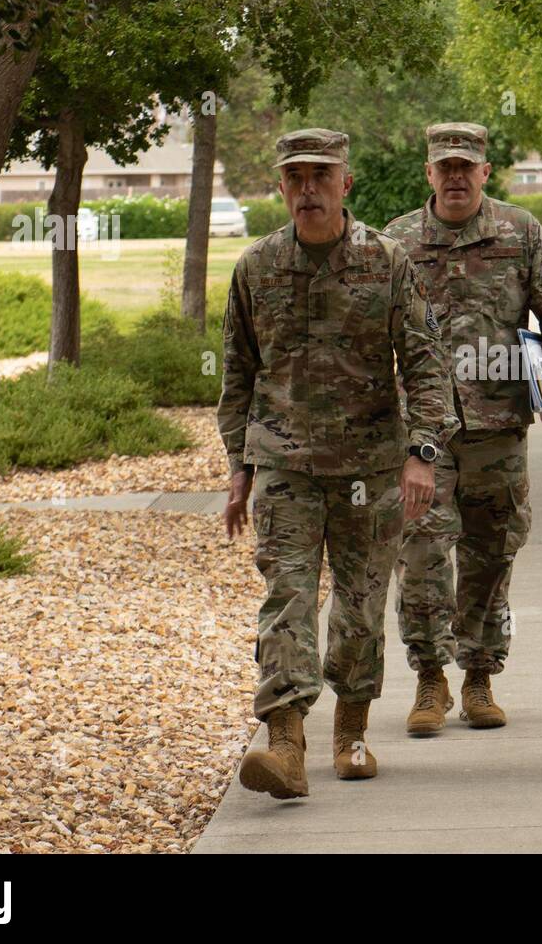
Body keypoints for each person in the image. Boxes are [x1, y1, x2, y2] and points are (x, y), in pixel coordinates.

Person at [218, 128, 458, 799]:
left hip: (369, 469)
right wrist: (239, 465)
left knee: (358, 606)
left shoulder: (386, 261)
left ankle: (350, 732)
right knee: (287, 597)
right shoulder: (257, 266)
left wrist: (422, 452)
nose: (308, 188)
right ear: (283, 187)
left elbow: (423, 360)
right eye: (296, 176)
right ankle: (285, 743)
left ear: (345, 183)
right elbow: (238, 375)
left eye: (321, 174)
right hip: (285, 468)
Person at [383, 122, 542, 735]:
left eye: (468, 166)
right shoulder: (398, 242)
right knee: (423, 555)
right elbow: (371, 334)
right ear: (430, 173)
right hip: (424, 437)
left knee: (491, 557)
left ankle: (480, 676)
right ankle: (430, 678)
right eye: (446, 167)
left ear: (485, 171)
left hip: (498, 431)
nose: (457, 177)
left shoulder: (521, 233)